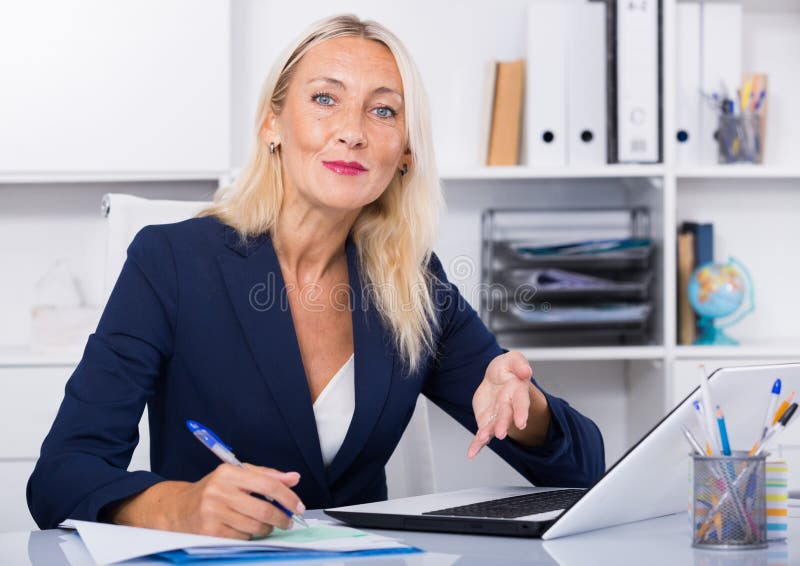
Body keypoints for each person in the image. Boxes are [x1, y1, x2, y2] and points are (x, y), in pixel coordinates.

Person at [27, 14, 604, 539]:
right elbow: (61, 475)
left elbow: (585, 469)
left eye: (384, 110)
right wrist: (180, 506)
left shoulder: (413, 283)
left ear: (404, 153)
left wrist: (524, 406)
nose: (353, 130)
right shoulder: (171, 260)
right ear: (271, 123)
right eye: (326, 98)